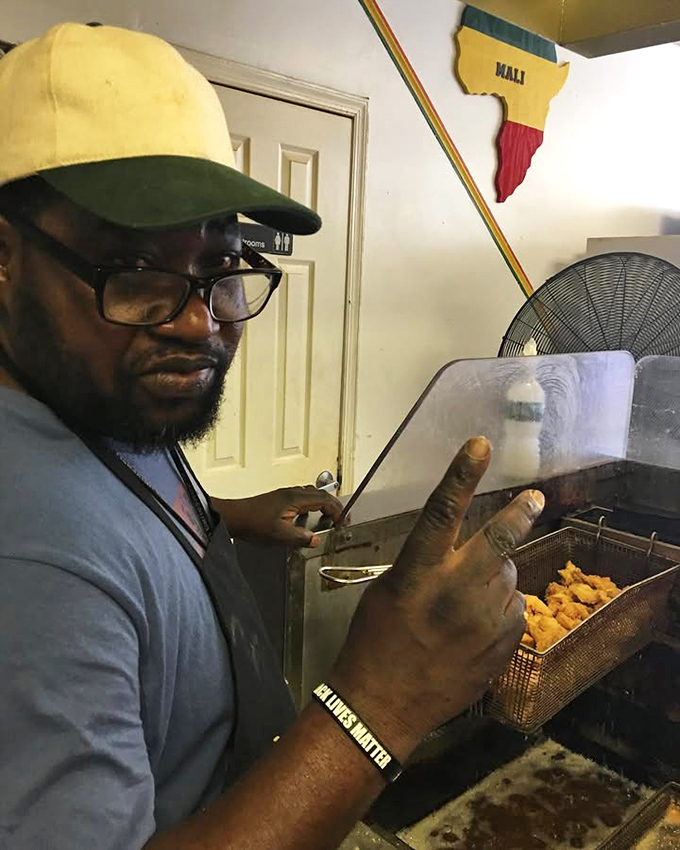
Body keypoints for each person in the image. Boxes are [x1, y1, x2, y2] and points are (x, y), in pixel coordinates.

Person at [0, 22, 544, 850]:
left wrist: (220, 513)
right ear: (6, 258)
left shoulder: (88, 394)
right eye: (138, 274)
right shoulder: (27, 563)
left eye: (222, 270)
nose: (196, 323)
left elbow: (103, 493)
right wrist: (381, 701)